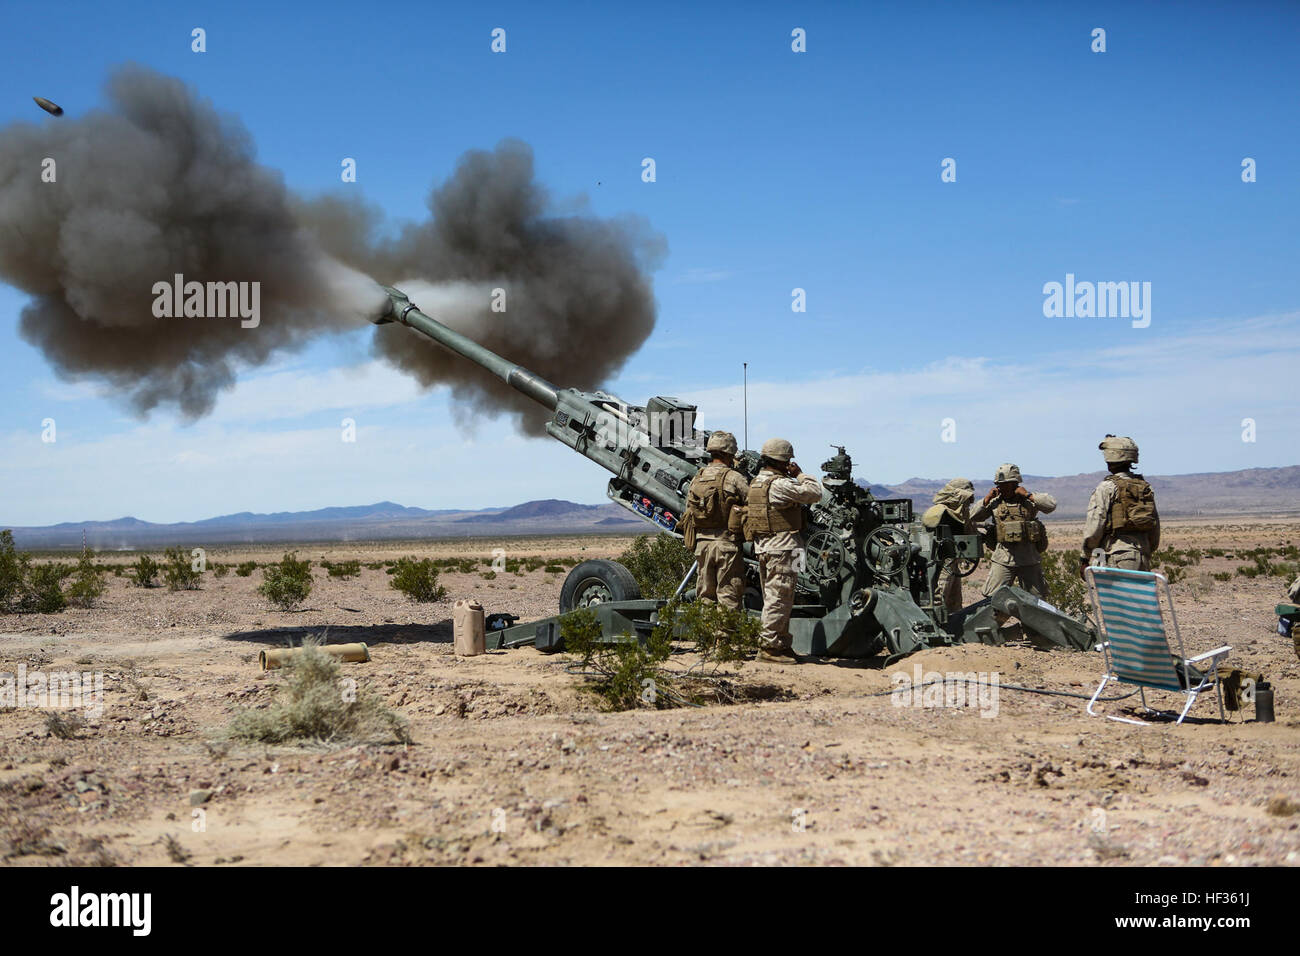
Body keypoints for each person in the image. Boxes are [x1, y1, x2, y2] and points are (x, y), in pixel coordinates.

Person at [744, 438, 823, 662]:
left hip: (766, 548)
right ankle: (770, 648)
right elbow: (814, 493)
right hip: (784, 548)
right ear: (782, 461)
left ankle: (781, 643)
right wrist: (800, 474)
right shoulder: (780, 485)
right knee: (779, 598)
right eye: (788, 461)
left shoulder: (757, 483)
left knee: (780, 596)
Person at [683, 430, 749, 609]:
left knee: (705, 596)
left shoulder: (698, 477)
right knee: (728, 596)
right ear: (730, 453)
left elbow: (689, 510)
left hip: (702, 545)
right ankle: (724, 637)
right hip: (726, 545)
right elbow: (752, 505)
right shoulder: (734, 478)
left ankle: (706, 634)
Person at [970, 463, 1057, 598]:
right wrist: (986, 499)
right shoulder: (994, 503)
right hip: (1003, 558)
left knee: (1038, 600)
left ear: (1015, 483)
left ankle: (1029, 620)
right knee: (992, 598)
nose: (1001, 487)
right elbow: (973, 516)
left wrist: (1028, 495)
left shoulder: (1028, 501)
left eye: (1005, 484)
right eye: (999, 484)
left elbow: (1051, 505)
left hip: (1028, 558)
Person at [1081, 435, 1160, 572]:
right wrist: (1146, 549)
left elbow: (1095, 526)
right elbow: (1154, 528)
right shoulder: (1145, 487)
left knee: (1117, 594)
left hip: (1117, 556)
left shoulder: (1107, 487)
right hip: (1143, 555)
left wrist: (1085, 556)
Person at [921, 477, 976, 611]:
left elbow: (968, 533)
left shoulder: (961, 513)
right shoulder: (939, 512)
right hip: (940, 564)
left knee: (954, 604)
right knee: (939, 600)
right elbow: (926, 531)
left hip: (953, 563)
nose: (968, 502)